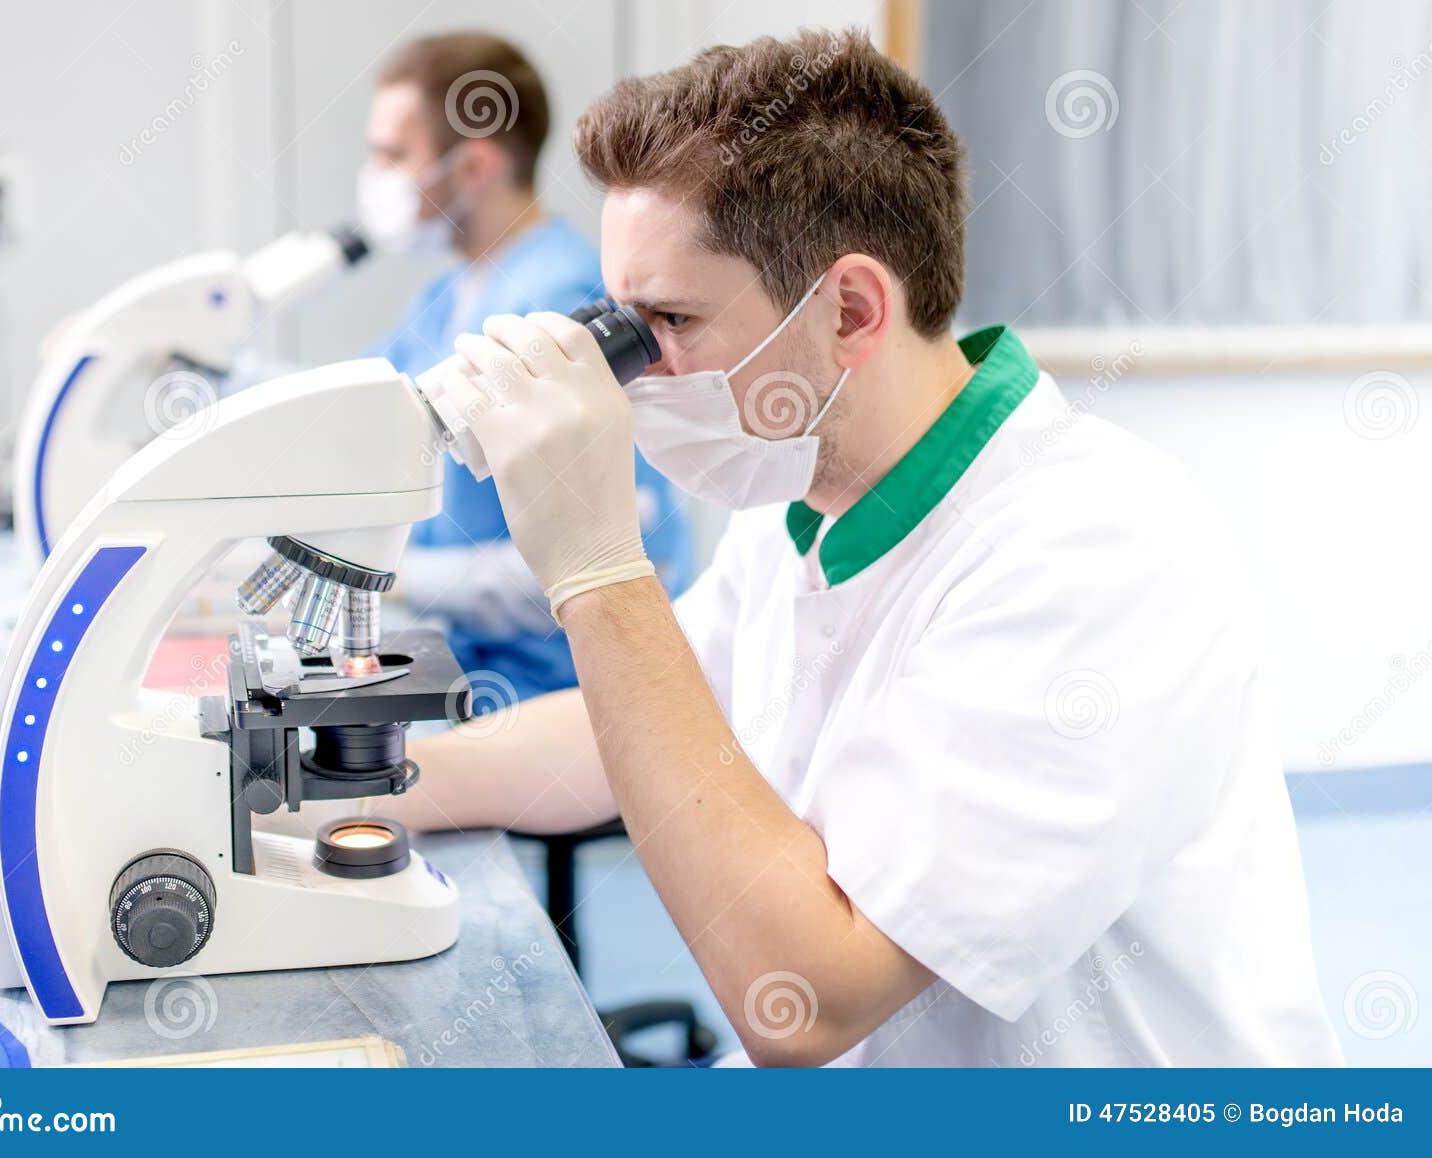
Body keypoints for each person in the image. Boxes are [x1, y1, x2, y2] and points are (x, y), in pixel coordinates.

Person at [349, 29, 1341, 1066]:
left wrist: (598, 571)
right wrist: (341, 780)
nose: (636, 372)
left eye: (671, 320)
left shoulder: (1092, 550)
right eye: (622, 322)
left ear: (852, 309)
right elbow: (615, 733)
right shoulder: (805, 504)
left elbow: (810, 998)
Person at [357, 32, 691, 703]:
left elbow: (619, 553)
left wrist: (387, 578)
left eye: (395, 155)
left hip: (551, 695)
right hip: (470, 670)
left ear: (474, 164)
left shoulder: (558, 302)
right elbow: (359, 403)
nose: (377, 176)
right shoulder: (451, 292)